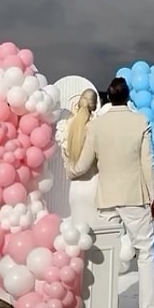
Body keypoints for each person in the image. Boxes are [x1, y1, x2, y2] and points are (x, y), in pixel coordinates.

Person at [72, 77, 154, 308]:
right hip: (134, 197)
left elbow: (84, 163)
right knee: (146, 254)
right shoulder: (139, 121)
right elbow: (149, 164)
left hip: (106, 198)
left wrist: (70, 169)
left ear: (108, 98)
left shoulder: (97, 125)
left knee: (102, 256)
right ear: (128, 97)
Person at [61, 89, 100, 229]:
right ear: (94, 106)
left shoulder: (68, 125)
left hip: (75, 188)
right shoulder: (94, 127)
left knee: (76, 230)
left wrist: (69, 169)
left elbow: (65, 153)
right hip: (92, 185)